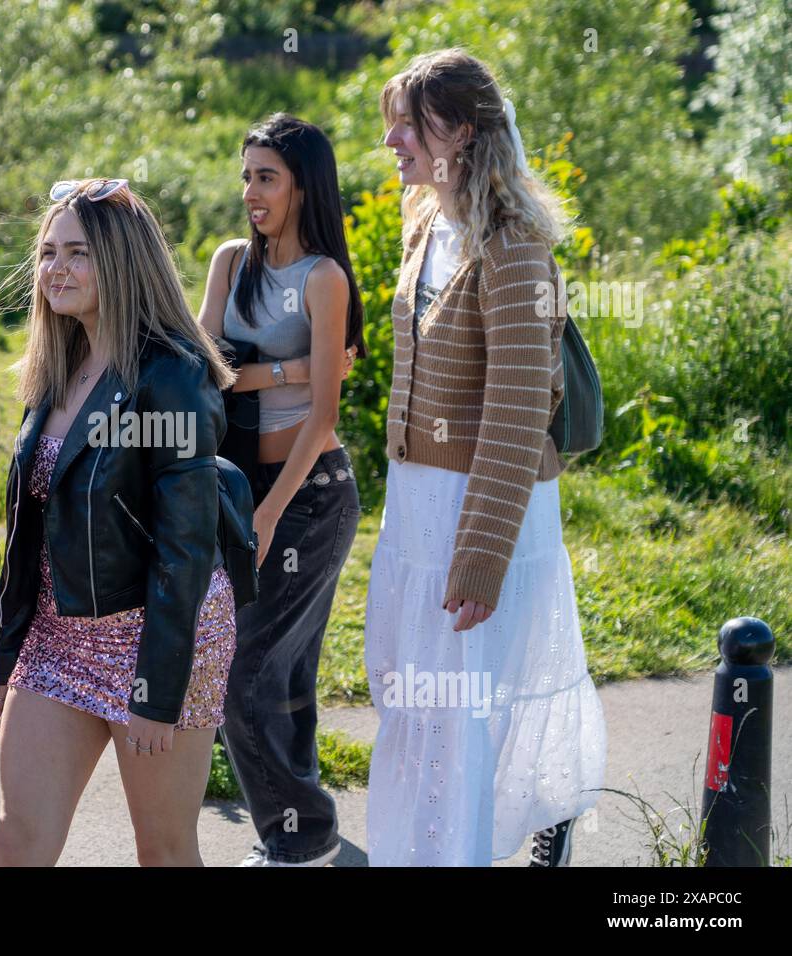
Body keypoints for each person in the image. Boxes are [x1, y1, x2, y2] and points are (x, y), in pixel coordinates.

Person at [366, 48, 606, 866]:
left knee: (463, 715)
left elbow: (515, 408)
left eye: (410, 124)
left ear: (461, 131)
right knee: (423, 710)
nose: (392, 140)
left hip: (482, 513)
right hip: (419, 508)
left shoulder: (514, 244)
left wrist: (479, 556)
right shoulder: (429, 223)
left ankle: (480, 843)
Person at [0, 178, 239, 866]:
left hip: (160, 632)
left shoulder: (174, 376)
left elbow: (186, 549)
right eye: (46, 253)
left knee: (162, 849)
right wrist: (11, 648)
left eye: (78, 253)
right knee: (18, 840)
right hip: (56, 634)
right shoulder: (55, 367)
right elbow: (34, 526)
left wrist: (156, 689)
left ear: (122, 262)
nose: (55, 269)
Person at [196, 114, 365, 866]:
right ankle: (306, 831)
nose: (251, 191)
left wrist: (267, 513)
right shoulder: (232, 263)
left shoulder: (324, 278)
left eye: (266, 176)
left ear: (303, 186)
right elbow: (204, 370)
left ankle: (301, 839)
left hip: (309, 494)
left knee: (249, 673)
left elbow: (324, 412)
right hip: (242, 482)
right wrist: (284, 370)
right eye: (246, 176)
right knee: (279, 668)